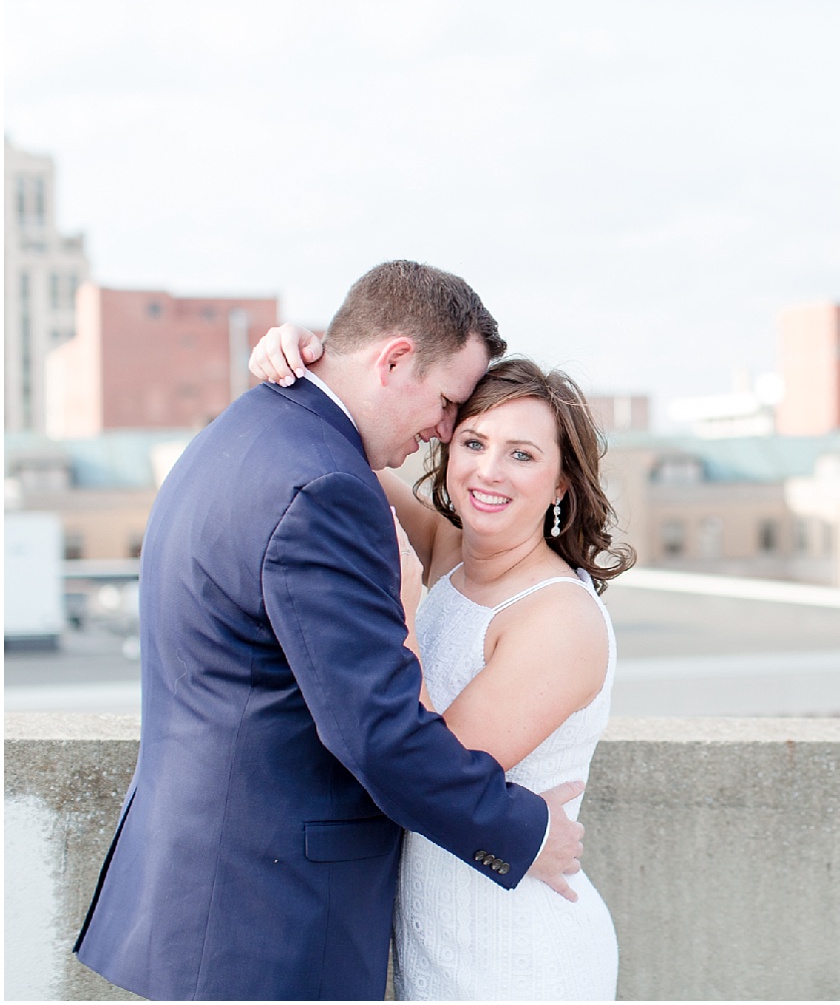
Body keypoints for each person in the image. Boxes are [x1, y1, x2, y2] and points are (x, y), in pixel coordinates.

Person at [74, 261, 586, 1001]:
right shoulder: (325, 488)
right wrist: (522, 830)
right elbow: (378, 735)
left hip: (211, 893)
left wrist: (298, 361)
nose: (444, 432)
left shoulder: (255, 426)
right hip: (268, 919)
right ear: (394, 360)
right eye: (449, 406)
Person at [251, 329, 633, 999]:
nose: (489, 471)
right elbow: (345, 443)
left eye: (521, 454)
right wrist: (294, 363)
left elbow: (430, 770)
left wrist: (403, 612)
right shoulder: (454, 549)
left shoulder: (558, 617)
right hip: (440, 940)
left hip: (520, 952)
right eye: (474, 443)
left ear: (560, 484)